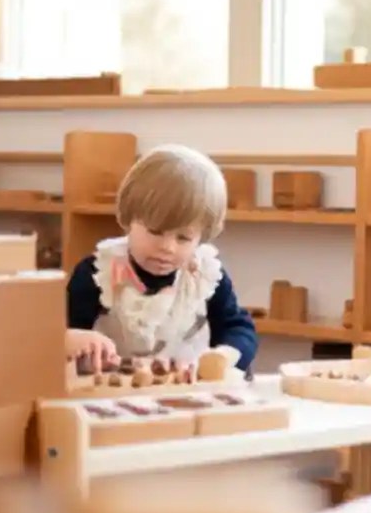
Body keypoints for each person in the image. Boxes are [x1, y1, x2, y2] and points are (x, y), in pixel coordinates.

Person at [64, 144, 258, 377]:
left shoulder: (205, 276)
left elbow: (239, 329)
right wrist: (75, 339)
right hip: (112, 398)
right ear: (128, 218)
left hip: (186, 397)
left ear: (202, 237)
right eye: (155, 232)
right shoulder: (98, 273)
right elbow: (56, 336)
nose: (167, 247)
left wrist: (224, 355)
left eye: (184, 238)